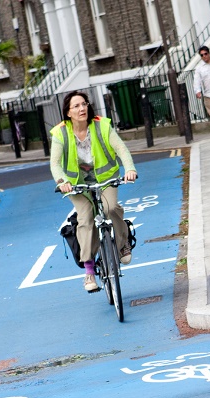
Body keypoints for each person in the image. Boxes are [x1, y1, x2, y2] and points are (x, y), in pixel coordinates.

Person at [50, 91, 138, 292]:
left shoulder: (102, 125)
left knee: (111, 208)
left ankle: (123, 243)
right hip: (76, 185)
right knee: (86, 217)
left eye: (84, 104)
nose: (82, 109)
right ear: (68, 112)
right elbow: (55, 164)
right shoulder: (61, 133)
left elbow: (122, 149)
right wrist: (62, 181)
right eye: (76, 106)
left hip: (106, 179)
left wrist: (130, 169)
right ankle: (89, 271)